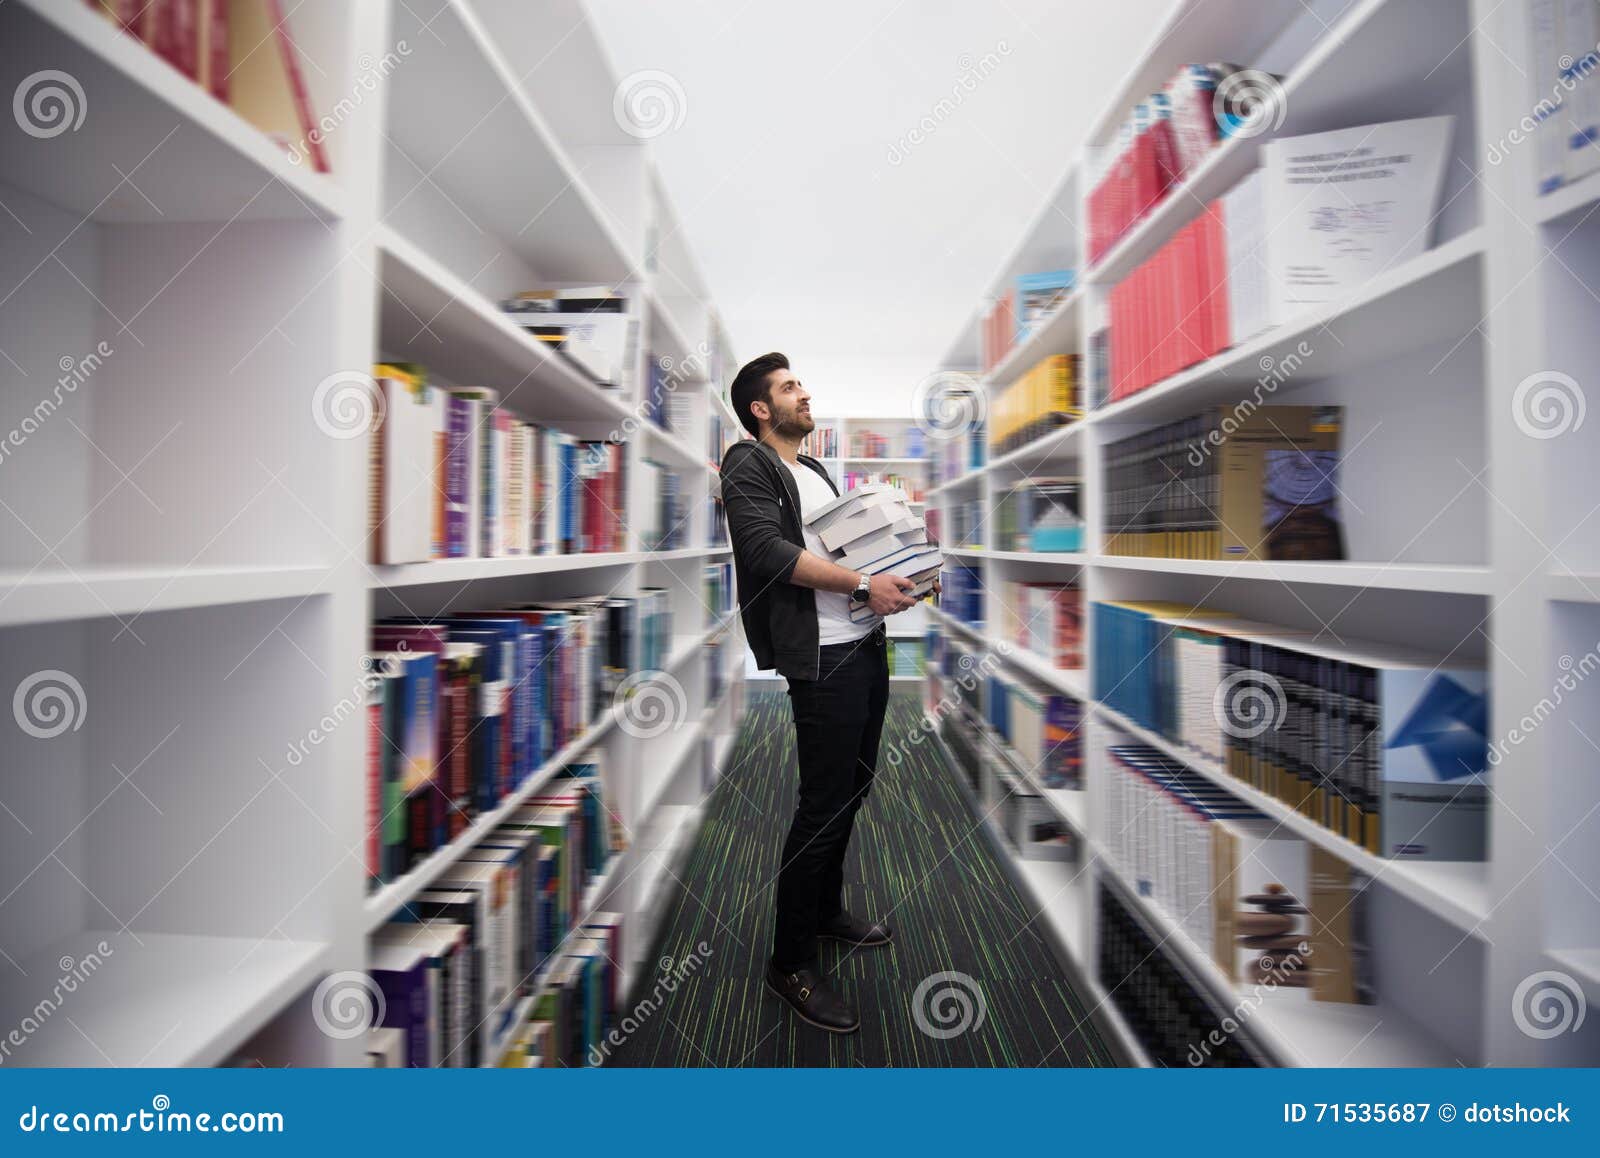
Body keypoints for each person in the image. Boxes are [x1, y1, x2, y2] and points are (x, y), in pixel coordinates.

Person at [719, 351, 920, 1034]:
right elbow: (766, 553)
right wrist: (864, 586)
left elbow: (841, 551)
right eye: (789, 388)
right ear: (760, 409)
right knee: (822, 804)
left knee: (855, 787)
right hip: (823, 659)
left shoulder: (814, 470)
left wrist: (902, 572)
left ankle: (826, 910)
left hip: (864, 645)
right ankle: (790, 960)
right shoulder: (748, 463)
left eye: (800, 384)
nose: (804, 394)